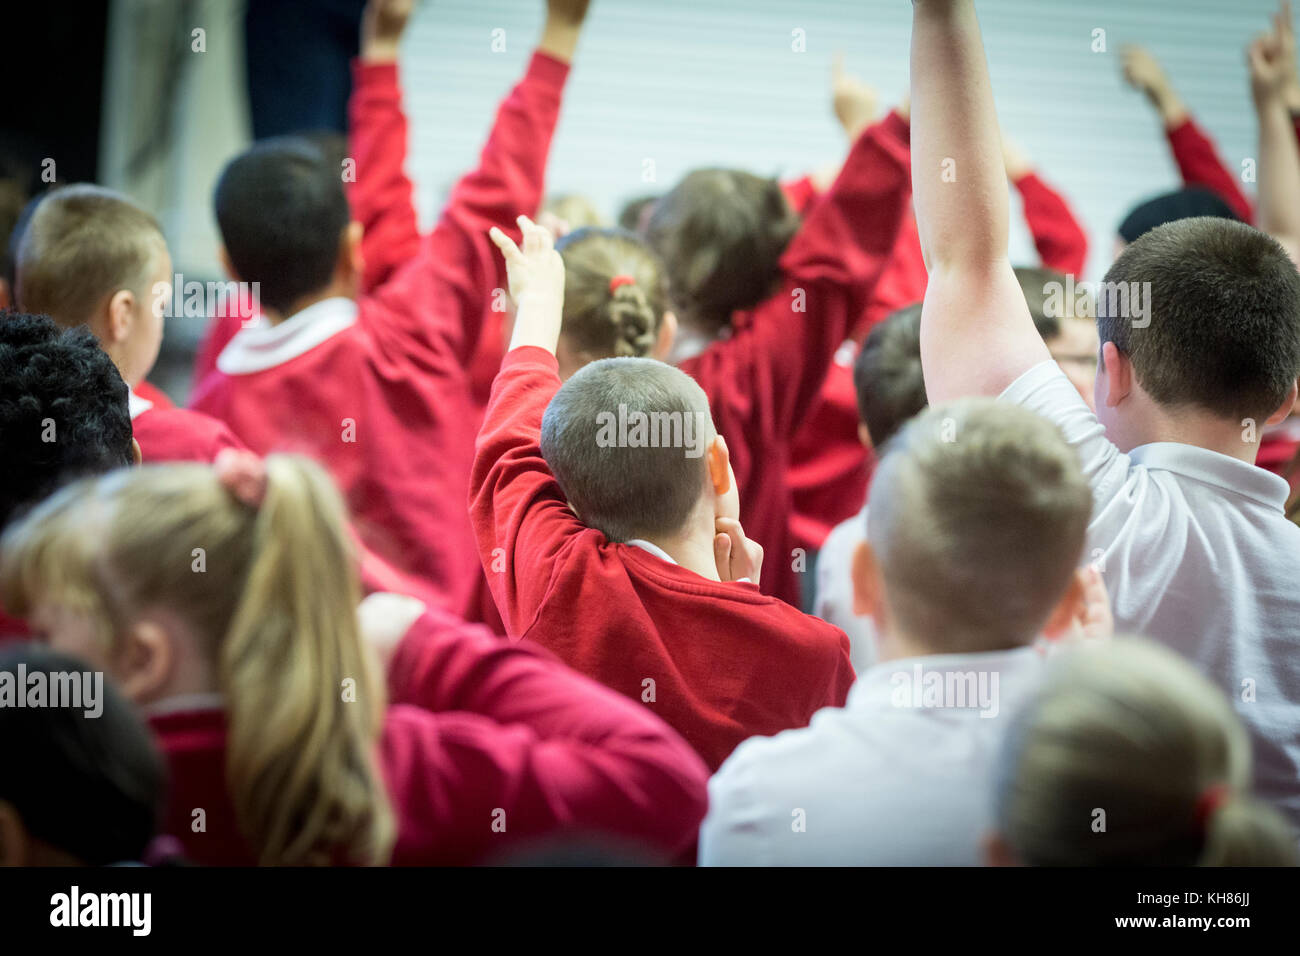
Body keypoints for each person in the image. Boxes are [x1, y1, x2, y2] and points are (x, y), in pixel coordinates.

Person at [908, 0, 1300, 830]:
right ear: (1288, 398)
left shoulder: (1092, 507)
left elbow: (967, 260)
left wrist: (942, 14)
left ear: (1109, 370)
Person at [473, 216, 855, 770]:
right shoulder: (812, 651)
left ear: (570, 499)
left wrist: (536, 303)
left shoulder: (559, 584)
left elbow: (506, 448)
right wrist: (747, 602)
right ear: (718, 466)